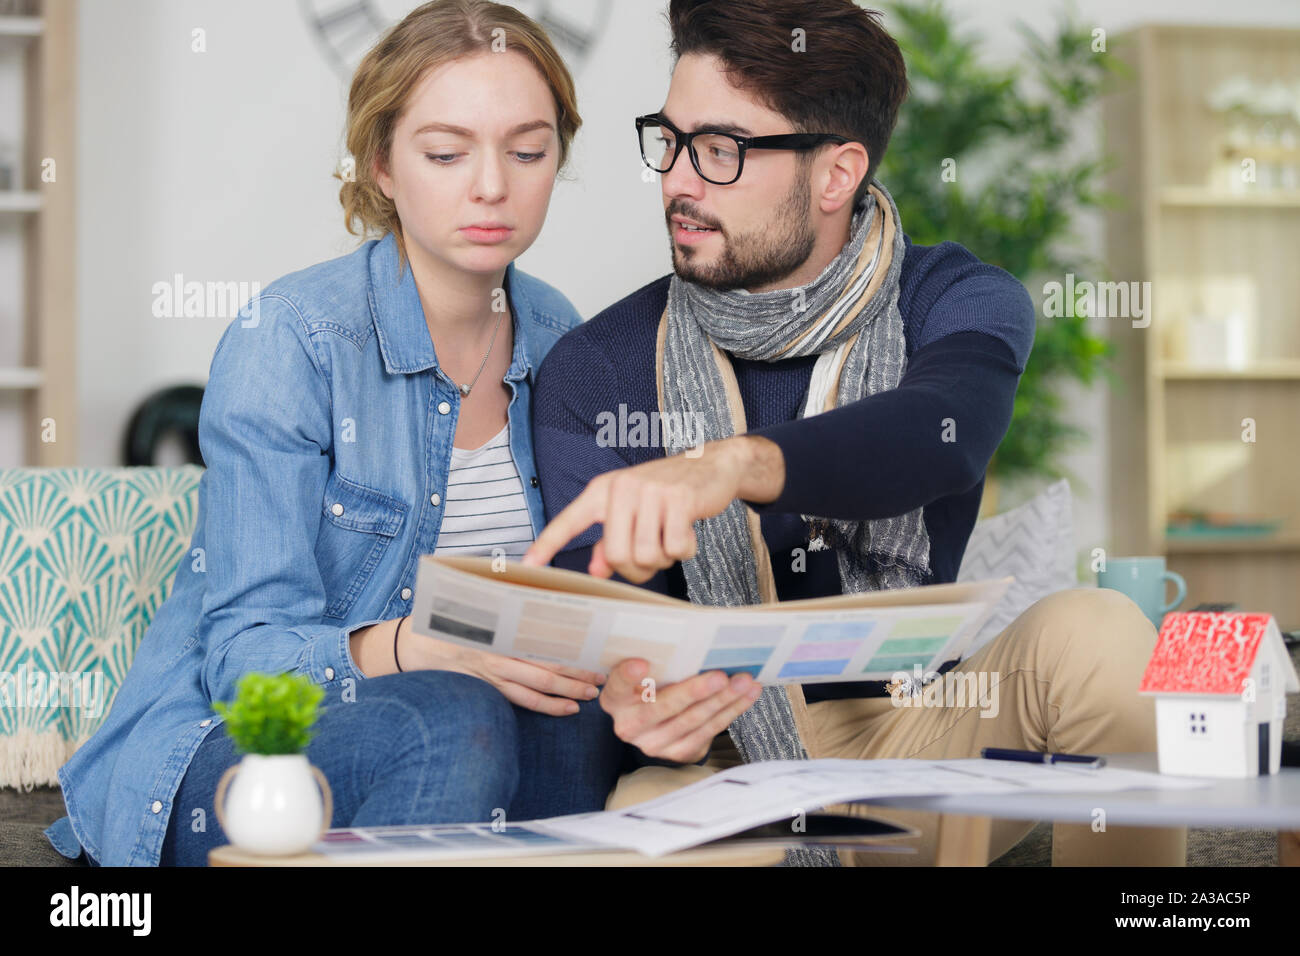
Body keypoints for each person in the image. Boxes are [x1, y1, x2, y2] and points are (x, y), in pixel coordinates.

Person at [522, 0, 1186, 867]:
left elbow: (939, 436)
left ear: (836, 174)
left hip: (924, 730)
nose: (678, 181)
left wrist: (732, 466)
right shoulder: (595, 368)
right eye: (671, 140)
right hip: (720, 763)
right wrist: (635, 689)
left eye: (722, 151)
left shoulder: (953, 298)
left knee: (1103, 633)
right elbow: (595, 619)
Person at [44, 0, 625, 867]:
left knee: (580, 720)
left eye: (529, 150)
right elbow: (245, 661)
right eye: (445, 152)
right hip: (239, 747)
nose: (493, 184)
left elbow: (571, 601)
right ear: (383, 165)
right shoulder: (289, 338)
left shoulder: (559, 334)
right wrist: (421, 646)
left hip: (472, 740)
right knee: (449, 714)